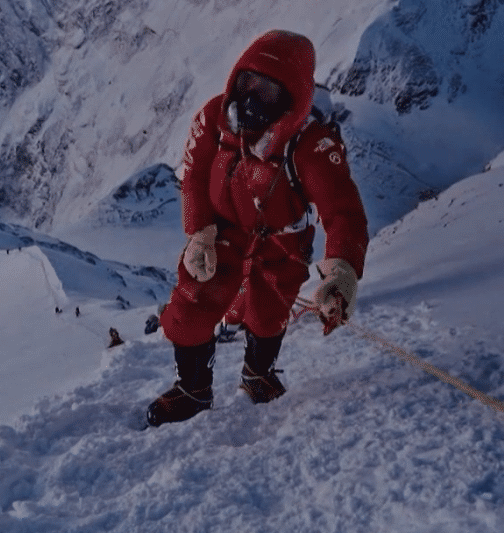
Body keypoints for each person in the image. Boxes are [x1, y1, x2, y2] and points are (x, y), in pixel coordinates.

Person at [147, 29, 369, 427]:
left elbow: (343, 213)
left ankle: (258, 374)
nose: (249, 100)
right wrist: (200, 231)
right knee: (190, 304)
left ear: (293, 100)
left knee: (268, 315)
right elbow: (195, 174)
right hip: (223, 233)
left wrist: (341, 274)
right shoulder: (213, 118)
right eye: (247, 83)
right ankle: (192, 390)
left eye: (267, 92)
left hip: (283, 242)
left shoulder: (310, 146)